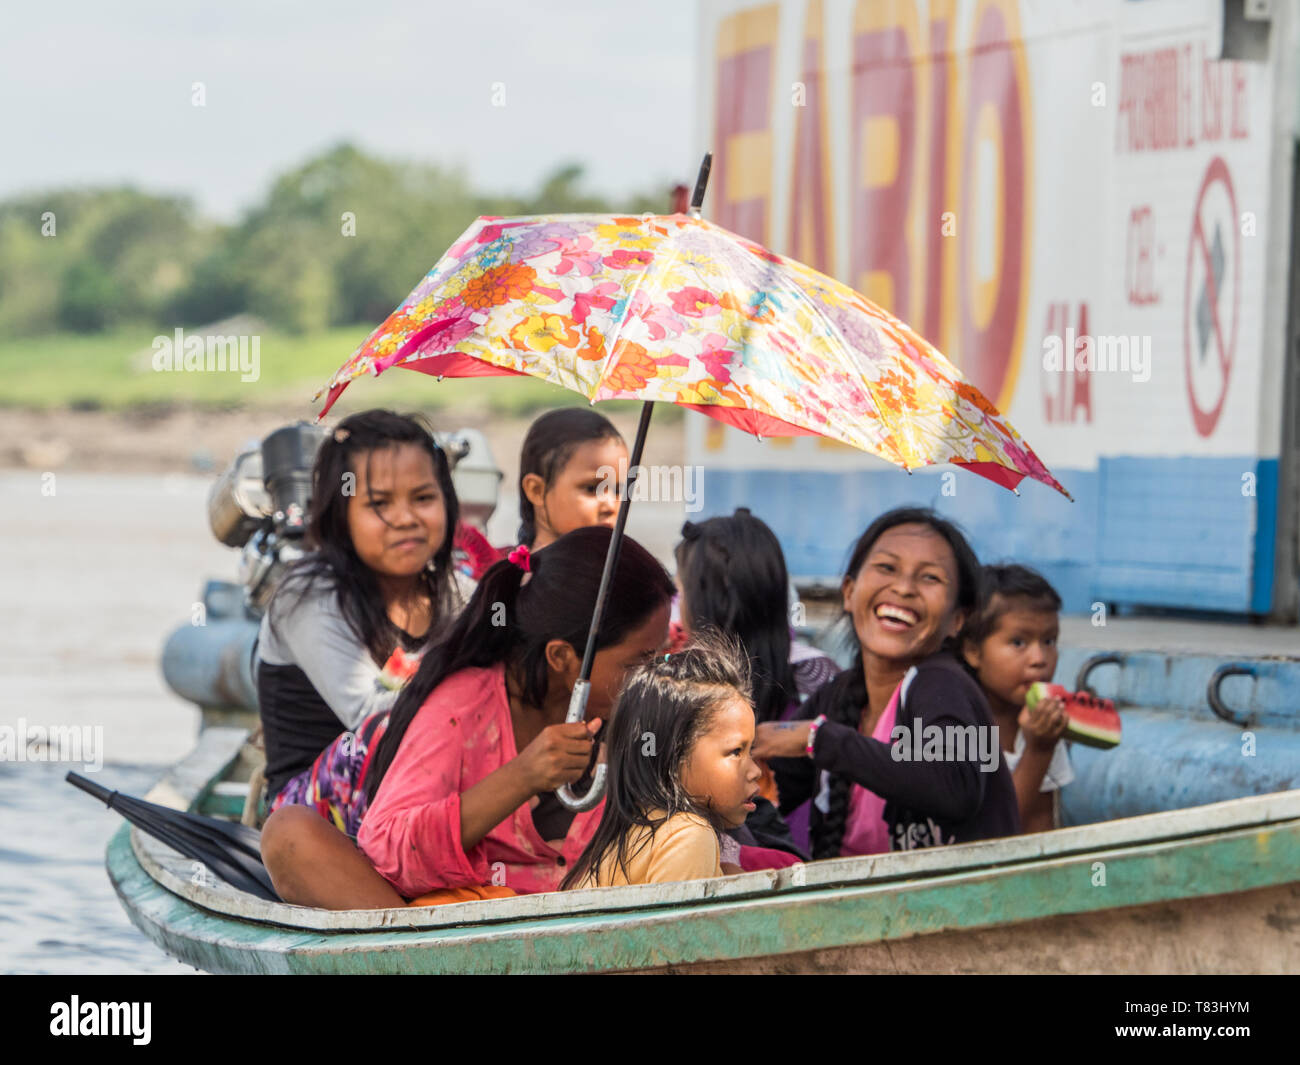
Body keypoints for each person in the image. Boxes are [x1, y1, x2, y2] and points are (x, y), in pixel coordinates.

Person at [260, 526, 674, 909]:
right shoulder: (462, 706)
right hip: (449, 927)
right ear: (563, 658)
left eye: (661, 654)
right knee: (288, 834)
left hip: (566, 931)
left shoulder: (632, 716)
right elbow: (388, 849)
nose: (654, 674)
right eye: (641, 660)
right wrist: (522, 777)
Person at [752, 507, 1020, 858]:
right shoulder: (838, 696)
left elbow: (954, 788)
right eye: (886, 568)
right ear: (848, 592)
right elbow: (761, 799)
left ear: (958, 618)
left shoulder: (945, 684)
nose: (904, 588)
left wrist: (818, 738)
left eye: (930, 578)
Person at [256, 409, 468, 808]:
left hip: (422, 794)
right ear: (341, 514)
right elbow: (373, 721)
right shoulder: (306, 596)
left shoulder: (458, 590)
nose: (405, 519)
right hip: (312, 815)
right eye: (379, 504)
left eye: (423, 498)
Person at [673, 508, 837, 857]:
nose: (678, 607)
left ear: (707, 603)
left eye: (682, 593)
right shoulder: (822, 673)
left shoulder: (679, 690)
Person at [563, 637, 763, 889]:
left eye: (750, 751)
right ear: (674, 756)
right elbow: (678, 929)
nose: (755, 772)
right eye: (736, 751)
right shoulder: (690, 835)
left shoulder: (635, 830)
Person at [961, 564, 1073, 833]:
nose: (1040, 660)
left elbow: (1040, 825)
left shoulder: (1043, 724)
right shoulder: (958, 725)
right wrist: (1038, 751)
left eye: (1049, 641)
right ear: (974, 651)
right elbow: (991, 834)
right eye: (1019, 643)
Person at [516, 407, 627, 550]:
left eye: (618, 490)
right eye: (591, 488)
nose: (611, 507)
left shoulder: (620, 570)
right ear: (536, 490)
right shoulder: (520, 571)